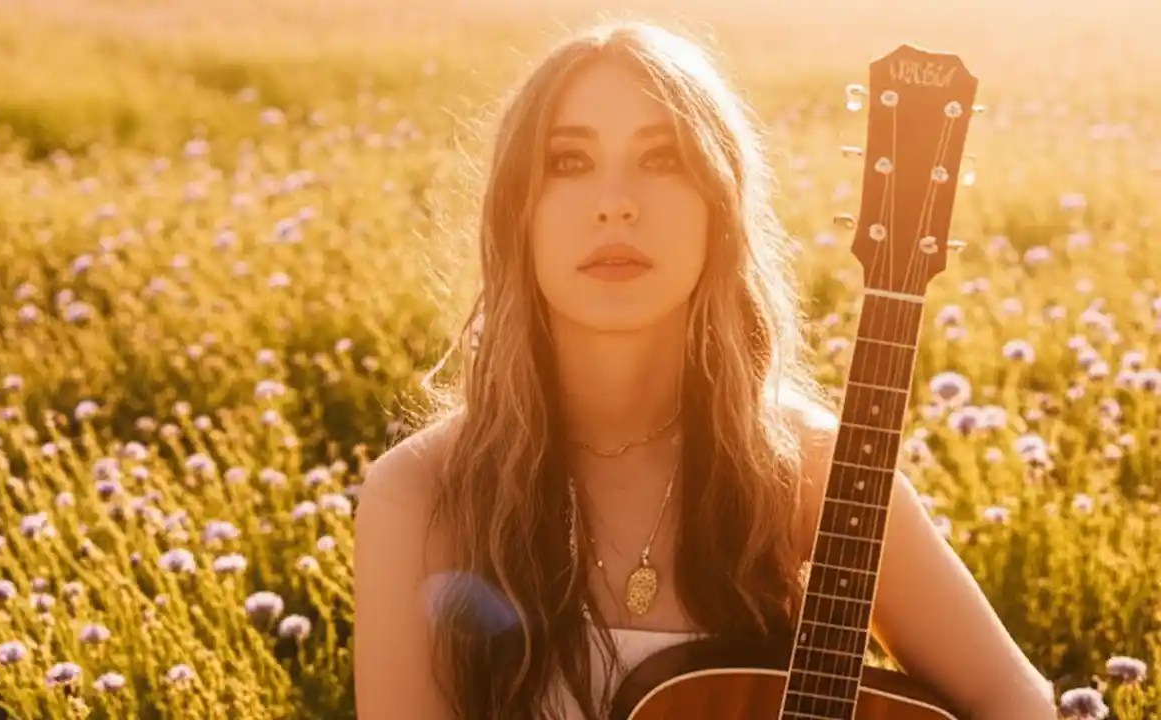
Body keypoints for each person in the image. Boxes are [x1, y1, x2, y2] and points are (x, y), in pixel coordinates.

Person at [353, 19, 1055, 720]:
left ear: (719, 208)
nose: (616, 202)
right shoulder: (423, 496)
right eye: (569, 161)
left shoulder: (809, 467)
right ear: (517, 214)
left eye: (663, 160)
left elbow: (1015, 701)